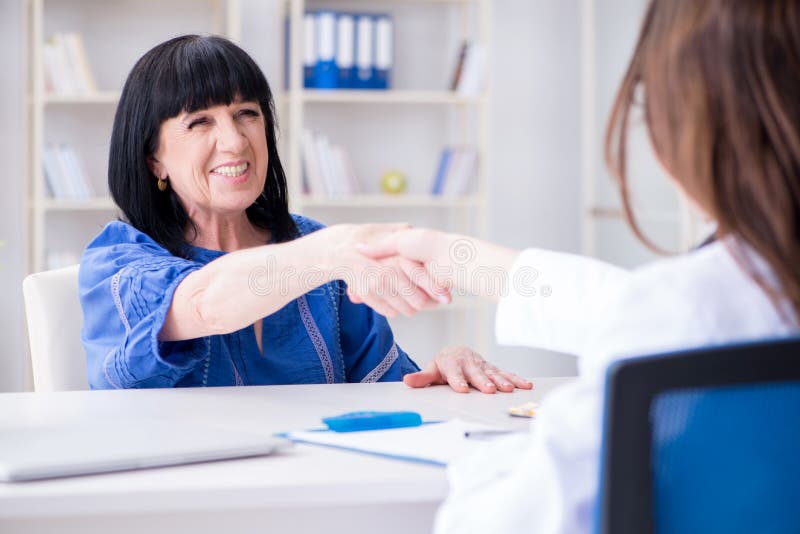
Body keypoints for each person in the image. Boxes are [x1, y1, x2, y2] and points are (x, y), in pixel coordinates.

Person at [354, 0, 800, 532]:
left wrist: (494, 462)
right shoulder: (695, 308)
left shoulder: (682, 311)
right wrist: (456, 257)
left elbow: (503, 522)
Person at [78, 34, 532, 393]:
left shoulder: (318, 249)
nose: (235, 141)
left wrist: (443, 373)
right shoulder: (118, 262)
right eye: (199, 122)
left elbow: (386, 393)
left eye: (247, 113)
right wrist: (331, 252)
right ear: (153, 159)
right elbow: (203, 303)